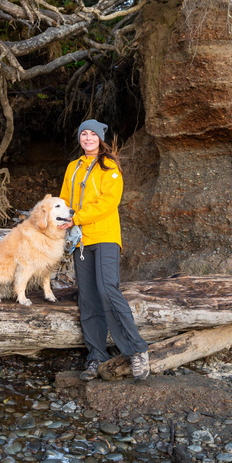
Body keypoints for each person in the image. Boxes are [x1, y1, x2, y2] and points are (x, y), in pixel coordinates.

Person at [59, 119, 150, 382]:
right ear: (79, 138)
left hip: (106, 237)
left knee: (107, 289)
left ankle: (137, 349)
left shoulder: (109, 167)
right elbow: (65, 200)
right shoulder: (72, 168)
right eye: (83, 134)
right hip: (80, 241)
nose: (88, 138)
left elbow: (108, 203)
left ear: (100, 139)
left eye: (92, 134)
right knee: (87, 298)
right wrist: (58, 220)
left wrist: (76, 218)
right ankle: (96, 356)